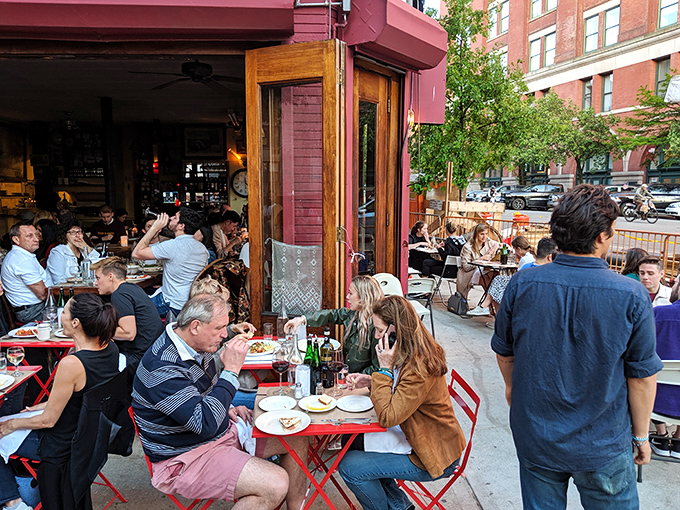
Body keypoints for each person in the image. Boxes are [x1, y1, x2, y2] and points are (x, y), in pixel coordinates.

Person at [492, 184, 662, 510]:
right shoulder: (630, 294)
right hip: (604, 443)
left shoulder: (523, 283)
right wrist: (641, 436)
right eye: (612, 231)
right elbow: (641, 377)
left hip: (537, 434)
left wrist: (513, 390)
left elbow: (505, 352)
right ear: (601, 236)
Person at [132, 293, 308, 509]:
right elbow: (205, 423)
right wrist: (232, 370)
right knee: (274, 483)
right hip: (184, 457)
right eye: (219, 328)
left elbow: (205, 397)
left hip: (218, 434)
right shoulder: (162, 367)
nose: (224, 334)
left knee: (297, 437)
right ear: (195, 326)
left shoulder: (194, 343)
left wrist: (228, 407)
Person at [337, 295, 466, 510]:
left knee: (350, 467)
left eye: (379, 330)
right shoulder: (408, 350)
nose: (376, 337)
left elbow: (388, 417)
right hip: (415, 432)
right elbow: (401, 391)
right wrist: (372, 380)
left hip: (431, 452)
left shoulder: (420, 364)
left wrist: (383, 370)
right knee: (352, 441)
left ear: (395, 330)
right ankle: (400, 506)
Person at [0, 293, 120, 510]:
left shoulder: (72, 364)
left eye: (63, 312)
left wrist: (10, 424)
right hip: (90, 440)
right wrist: (43, 404)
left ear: (75, 322)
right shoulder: (110, 348)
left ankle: (14, 503)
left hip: (62, 445)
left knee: (3, 429)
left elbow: (47, 421)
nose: (59, 316)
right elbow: (83, 395)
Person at [284, 275, 384, 374]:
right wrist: (302, 319)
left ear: (363, 298)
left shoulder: (376, 328)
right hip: (345, 376)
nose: (347, 297)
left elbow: (378, 367)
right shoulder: (352, 315)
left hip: (360, 383)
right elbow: (330, 315)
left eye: (350, 293)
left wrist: (356, 377)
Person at [131, 208, 208, 317]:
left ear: (181, 226)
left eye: (175, 217)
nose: (170, 218)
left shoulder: (172, 245)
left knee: (131, 307)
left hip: (171, 305)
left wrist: (154, 228)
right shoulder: (202, 248)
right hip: (190, 303)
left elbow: (136, 253)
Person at [91, 257, 163, 370]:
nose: (95, 283)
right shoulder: (133, 287)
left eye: (98, 278)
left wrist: (96, 330)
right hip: (153, 351)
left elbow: (128, 333)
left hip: (139, 359)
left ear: (110, 276)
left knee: (90, 364)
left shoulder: (119, 295)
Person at [468, 236, 556, 317]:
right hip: (524, 294)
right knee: (495, 282)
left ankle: (487, 308)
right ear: (549, 257)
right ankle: (488, 309)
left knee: (496, 284)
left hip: (519, 293)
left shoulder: (527, 264)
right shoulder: (546, 271)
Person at [648, 275, 680, 458]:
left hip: (655, 404)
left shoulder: (659, 314)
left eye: (674, 283)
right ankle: (678, 441)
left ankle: (661, 436)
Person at [0, 222, 49, 323]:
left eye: (36, 234)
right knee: (78, 314)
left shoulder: (22, 255)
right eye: (29, 236)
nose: (36, 239)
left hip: (34, 308)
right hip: (33, 311)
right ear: (16, 239)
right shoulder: (21, 259)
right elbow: (43, 294)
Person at [46, 219, 101, 286]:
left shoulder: (82, 250)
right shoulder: (57, 252)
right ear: (65, 234)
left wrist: (86, 247)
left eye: (79, 232)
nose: (77, 235)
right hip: (65, 291)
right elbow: (58, 280)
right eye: (73, 232)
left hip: (85, 287)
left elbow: (98, 261)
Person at [456, 223, 501, 301]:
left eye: (486, 234)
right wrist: (481, 259)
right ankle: (490, 305)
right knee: (490, 279)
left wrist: (496, 247)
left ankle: (489, 304)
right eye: (482, 234)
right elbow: (466, 267)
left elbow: (505, 246)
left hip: (484, 271)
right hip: (471, 272)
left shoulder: (488, 242)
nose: (484, 237)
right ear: (476, 234)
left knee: (495, 276)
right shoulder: (468, 247)